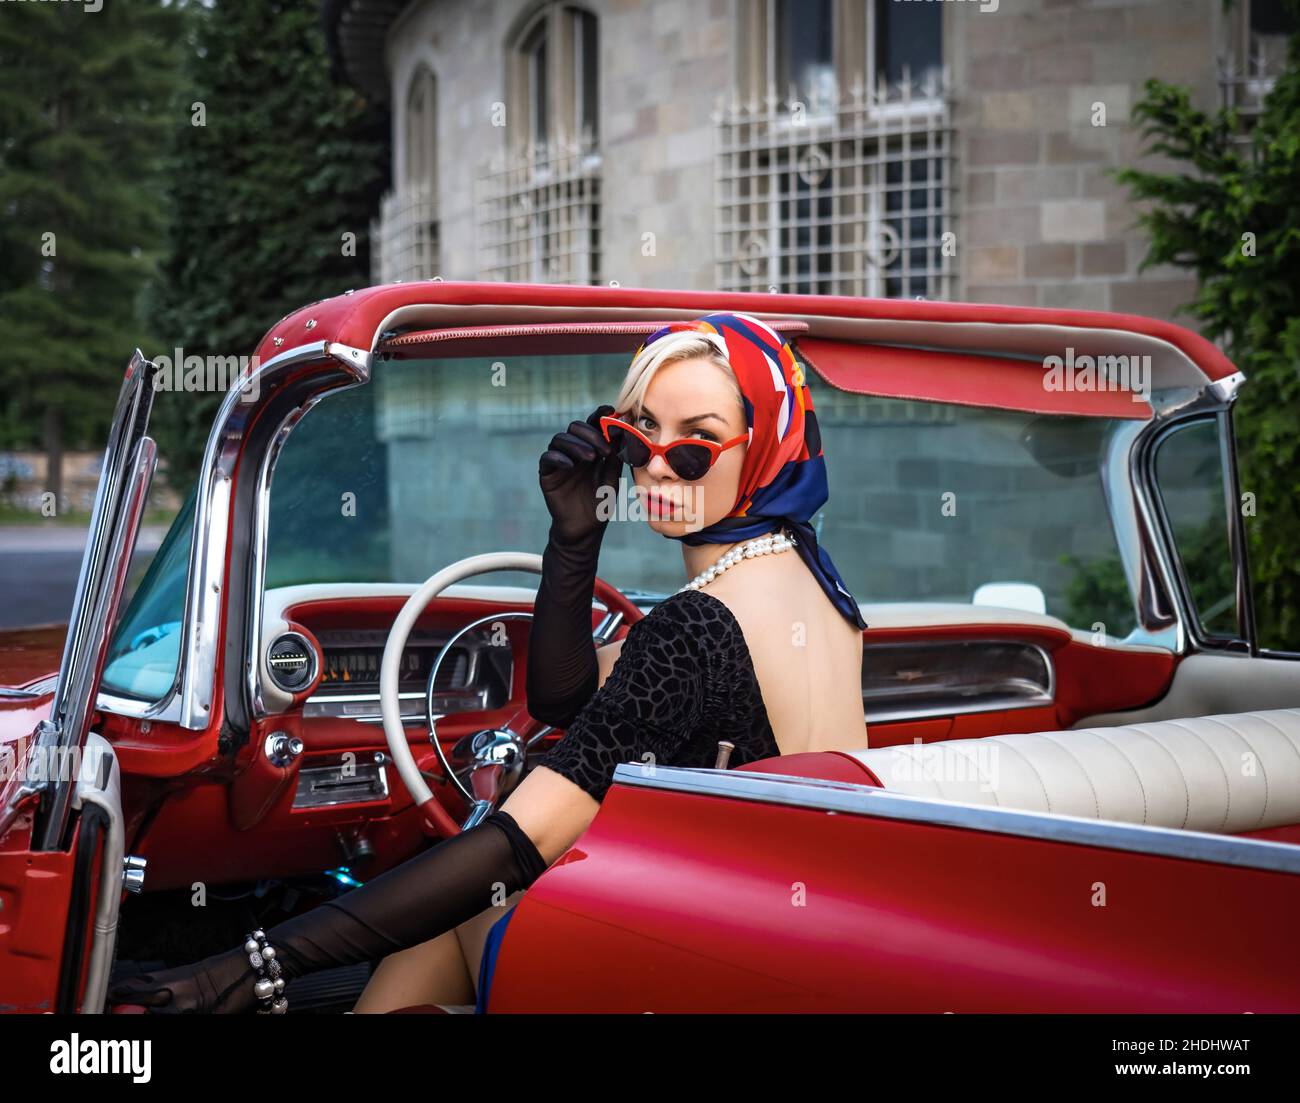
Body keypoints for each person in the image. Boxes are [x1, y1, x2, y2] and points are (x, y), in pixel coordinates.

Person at [107, 311, 868, 1014]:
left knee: (453, 906)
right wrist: (574, 537)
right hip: (797, 937)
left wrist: (254, 960)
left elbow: (513, 841)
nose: (657, 470)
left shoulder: (695, 628)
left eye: (694, 445)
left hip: (711, 956)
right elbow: (566, 698)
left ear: (764, 442)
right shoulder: (819, 589)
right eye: (638, 437)